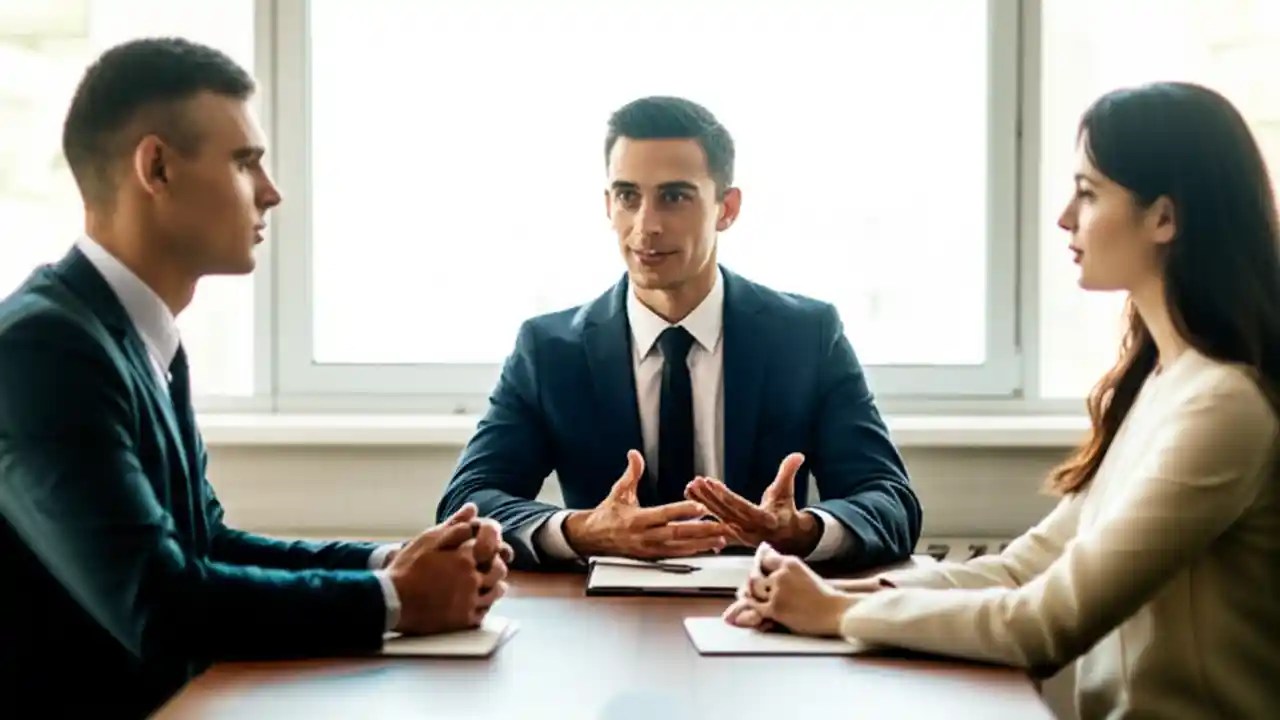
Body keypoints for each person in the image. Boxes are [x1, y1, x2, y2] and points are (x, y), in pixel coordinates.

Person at [725, 81, 1280, 719]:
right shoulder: (1161, 384)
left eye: (1089, 192)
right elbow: (1023, 568)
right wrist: (840, 590)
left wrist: (838, 612)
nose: (1065, 217)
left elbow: (1047, 622)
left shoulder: (1222, 406)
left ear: (1164, 217)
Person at [0, 38, 509, 717]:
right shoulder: (43, 348)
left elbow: (206, 542)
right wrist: (398, 600)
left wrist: (391, 563)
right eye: (245, 162)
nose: (271, 192)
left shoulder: (138, 335)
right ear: (156, 167)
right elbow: (156, 603)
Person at [438, 96, 921, 571]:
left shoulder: (807, 337)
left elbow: (890, 501)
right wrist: (585, 531)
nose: (646, 226)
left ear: (726, 208)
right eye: (628, 196)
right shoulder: (548, 350)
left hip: (764, 612)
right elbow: (467, 503)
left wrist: (802, 531)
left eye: (674, 197)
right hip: (602, 624)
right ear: (608, 206)